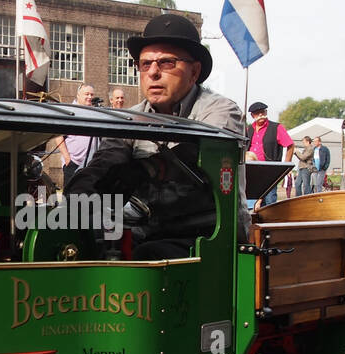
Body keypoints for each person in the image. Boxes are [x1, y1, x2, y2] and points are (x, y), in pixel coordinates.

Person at [70, 13, 247, 258]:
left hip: (209, 237)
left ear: (194, 72)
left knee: (143, 256)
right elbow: (107, 161)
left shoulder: (219, 111)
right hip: (150, 233)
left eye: (166, 63)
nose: (153, 72)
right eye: (145, 64)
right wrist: (78, 196)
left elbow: (198, 155)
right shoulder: (129, 119)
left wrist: (145, 170)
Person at [55, 84, 98, 181]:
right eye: (86, 94)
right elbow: (58, 136)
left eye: (92, 95)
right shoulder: (69, 112)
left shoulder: (95, 113)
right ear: (78, 95)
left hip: (91, 164)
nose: (90, 97)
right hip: (73, 163)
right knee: (72, 195)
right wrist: (67, 158)